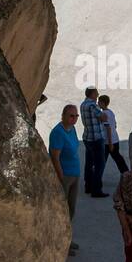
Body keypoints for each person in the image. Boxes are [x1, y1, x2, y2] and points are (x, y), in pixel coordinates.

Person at [48, 104, 81, 254]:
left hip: (75, 174)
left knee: (71, 210)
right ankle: (60, 243)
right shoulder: (57, 133)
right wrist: (61, 178)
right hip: (65, 176)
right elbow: (55, 157)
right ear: (63, 116)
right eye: (71, 116)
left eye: (76, 116)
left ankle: (66, 238)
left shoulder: (72, 129)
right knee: (62, 211)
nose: (74, 119)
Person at [79, 86, 108, 197]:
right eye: (96, 93)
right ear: (91, 94)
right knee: (100, 164)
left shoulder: (83, 104)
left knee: (89, 163)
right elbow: (103, 117)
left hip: (87, 137)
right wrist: (103, 115)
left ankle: (88, 186)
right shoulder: (92, 105)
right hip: (96, 138)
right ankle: (96, 189)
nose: (98, 95)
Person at [98, 94, 128, 174]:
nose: (98, 103)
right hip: (115, 140)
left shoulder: (103, 114)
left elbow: (108, 128)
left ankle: (97, 178)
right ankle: (126, 173)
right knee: (118, 158)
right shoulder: (111, 112)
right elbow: (114, 125)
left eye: (99, 102)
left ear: (103, 103)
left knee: (102, 161)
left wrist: (110, 143)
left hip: (108, 142)